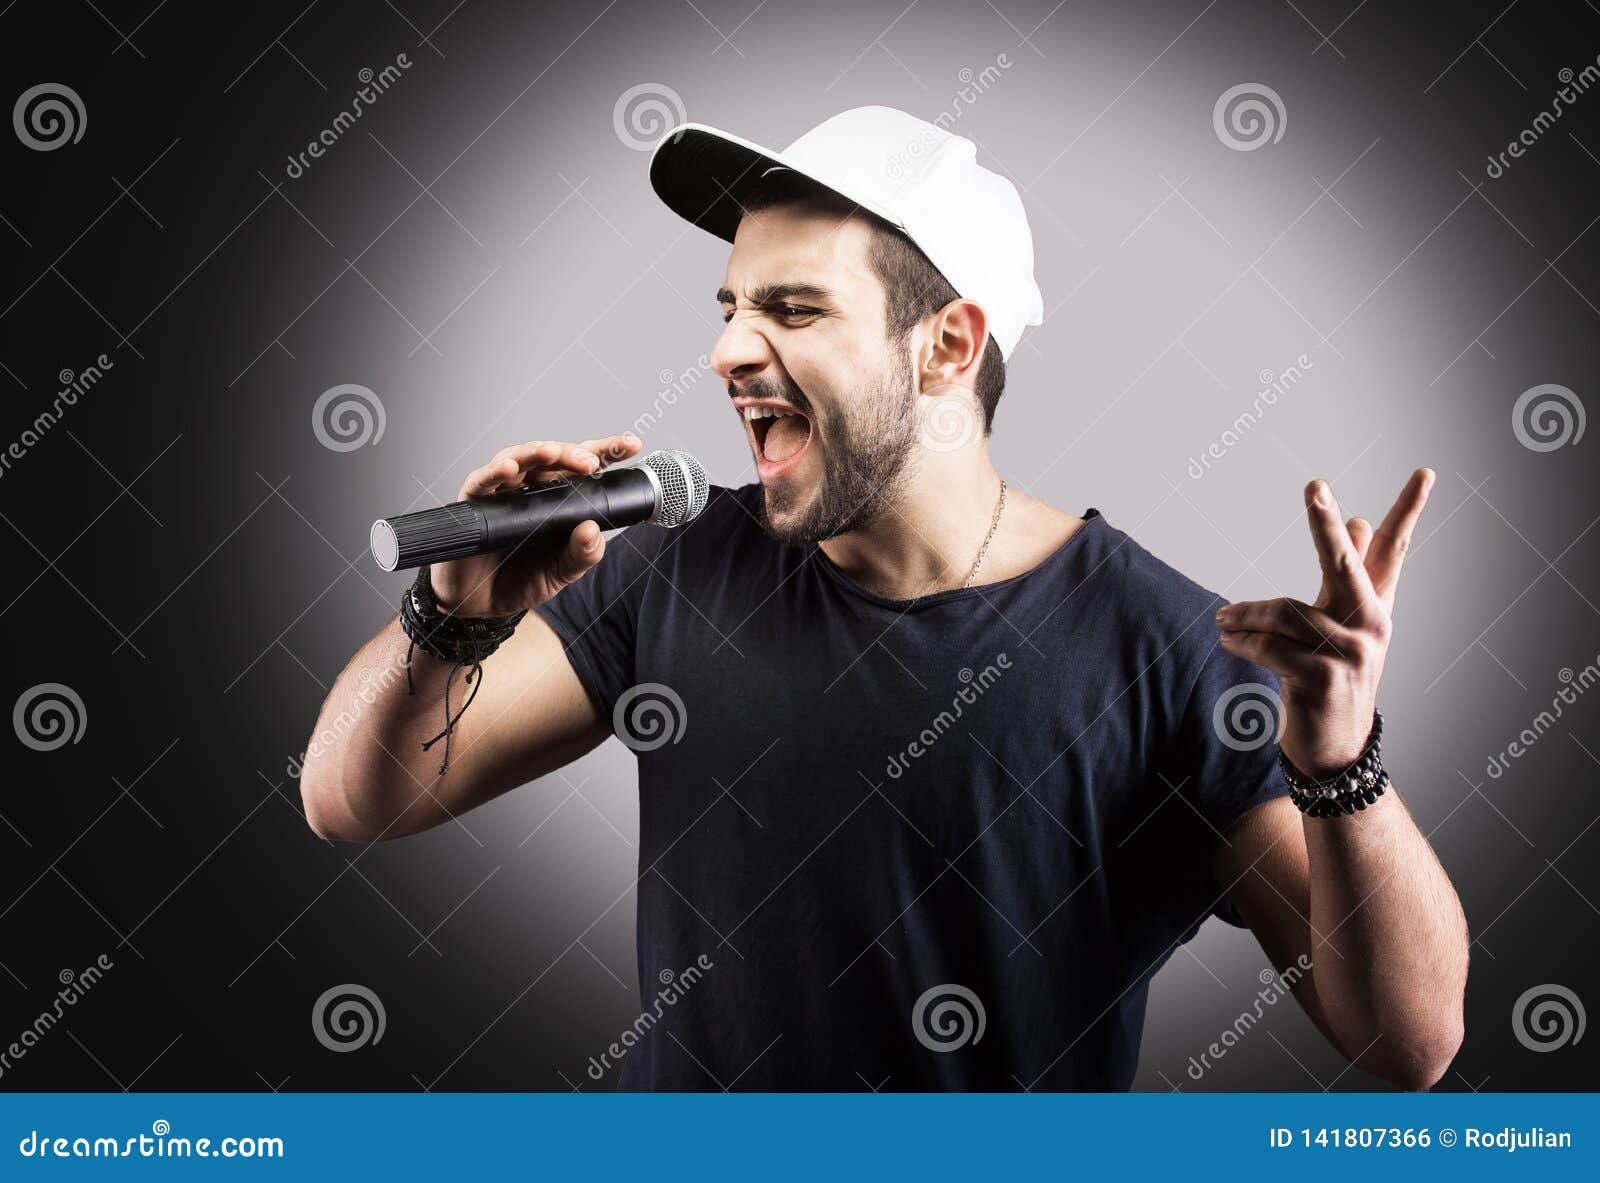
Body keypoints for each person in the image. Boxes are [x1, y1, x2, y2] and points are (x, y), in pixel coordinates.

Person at [300, 106, 1467, 1091]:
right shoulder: (667, 563)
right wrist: (455, 616)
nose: (727, 354)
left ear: (947, 346)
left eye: (793, 311)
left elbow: (1407, 1041)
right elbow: (351, 799)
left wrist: (1341, 766)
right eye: (729, 308)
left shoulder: (1169, 654)